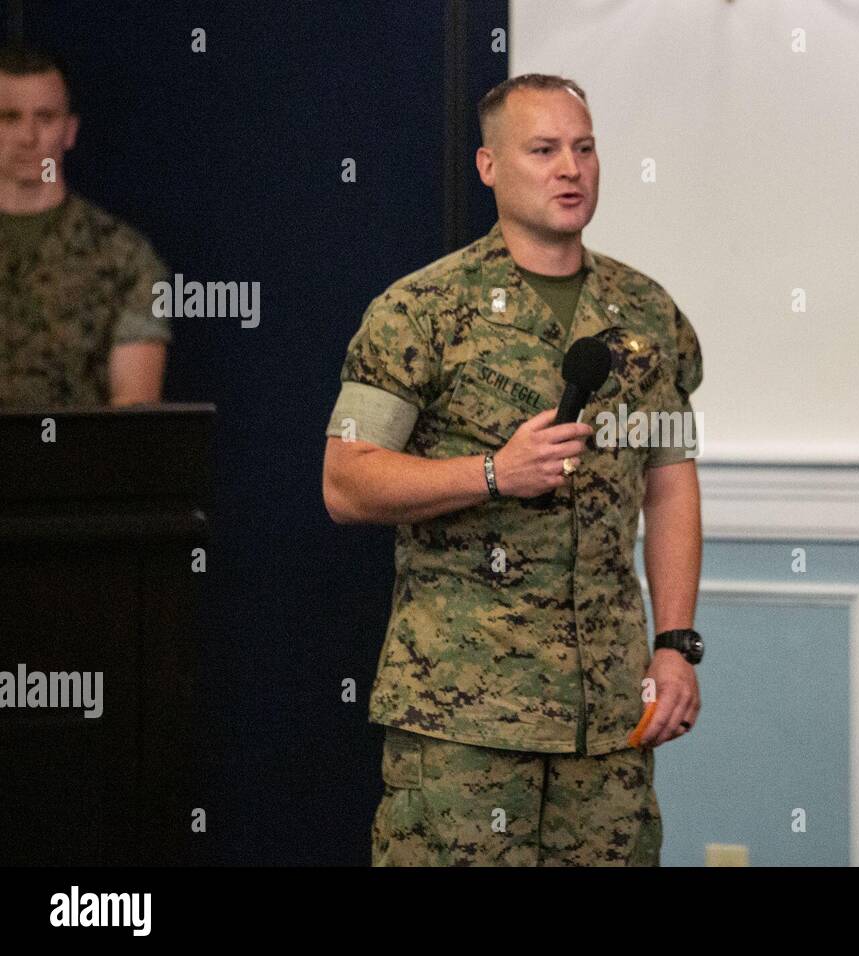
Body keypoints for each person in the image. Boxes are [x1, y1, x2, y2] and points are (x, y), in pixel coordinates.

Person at [322, 73, 705, 866]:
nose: (571, 168)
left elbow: (670, 482)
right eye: (543, 150)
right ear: (489, 166)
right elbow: (347, 482)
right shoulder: (420, 310)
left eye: (584, 148)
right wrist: (493, 472)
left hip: (606, 716)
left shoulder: (647, 314)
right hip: (464, 716)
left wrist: (675, 643)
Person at [0, 43, 170, 409]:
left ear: (69, 130)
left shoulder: (124, 259)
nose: (28, 138)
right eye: (9, 117)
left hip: (76, 464)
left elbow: (133, 413)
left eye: (45, 117)